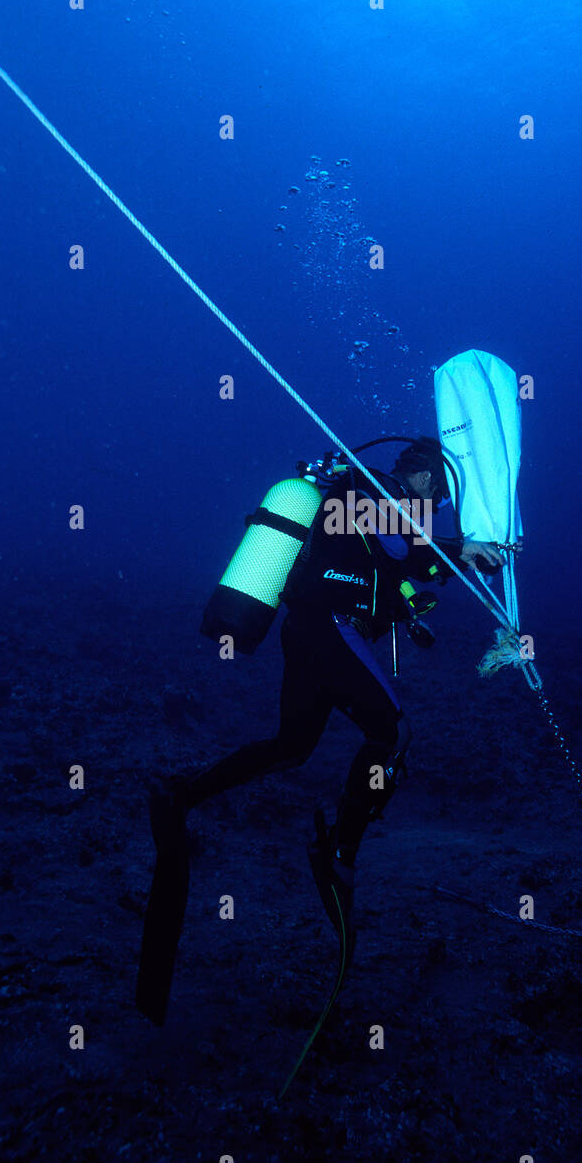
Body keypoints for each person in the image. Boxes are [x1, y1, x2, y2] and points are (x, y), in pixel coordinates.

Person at [137, 435, 501, 1022]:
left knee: (291, 747)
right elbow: (403, 549)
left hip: (309, 630)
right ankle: (338, 857)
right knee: (393, 736)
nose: (439, 504)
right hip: (331, 627)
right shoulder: (375, 492)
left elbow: (408, 562)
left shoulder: (367, 497)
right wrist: (460, 548)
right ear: (430, 478)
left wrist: (456, 555)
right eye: (442, 491)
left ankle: (183, 794)